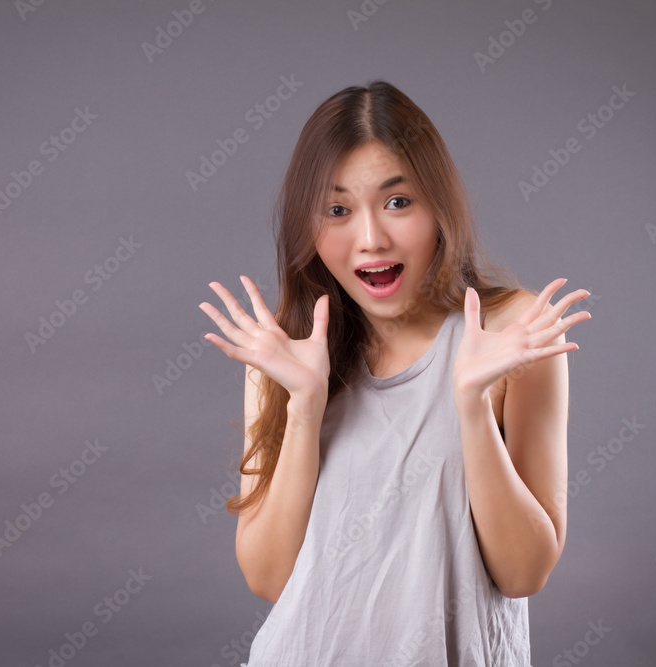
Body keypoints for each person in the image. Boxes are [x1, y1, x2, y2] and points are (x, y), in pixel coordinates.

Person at [198, 79, 591, 666]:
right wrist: (304, 405)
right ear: (309, 227)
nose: (371, 238)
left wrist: (472, 406)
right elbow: (270, 579)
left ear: (439, 206)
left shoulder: (512, 331)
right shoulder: (289, 350)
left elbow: (524, 573)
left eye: (398, 202)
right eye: (337, 210)